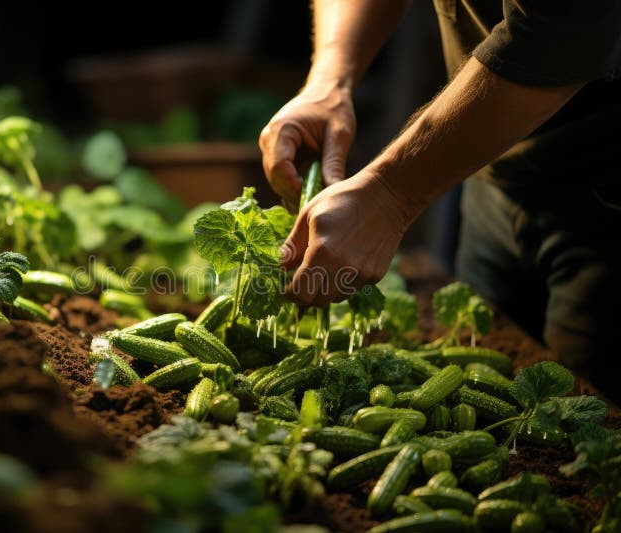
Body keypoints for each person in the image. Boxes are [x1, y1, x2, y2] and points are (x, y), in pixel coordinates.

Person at [260, 0, 621, 400]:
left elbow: (559, 33)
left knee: (588, 428)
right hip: (490, 165)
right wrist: (330, 80)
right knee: (485, 382)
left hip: (607, 180)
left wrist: (389, 194)